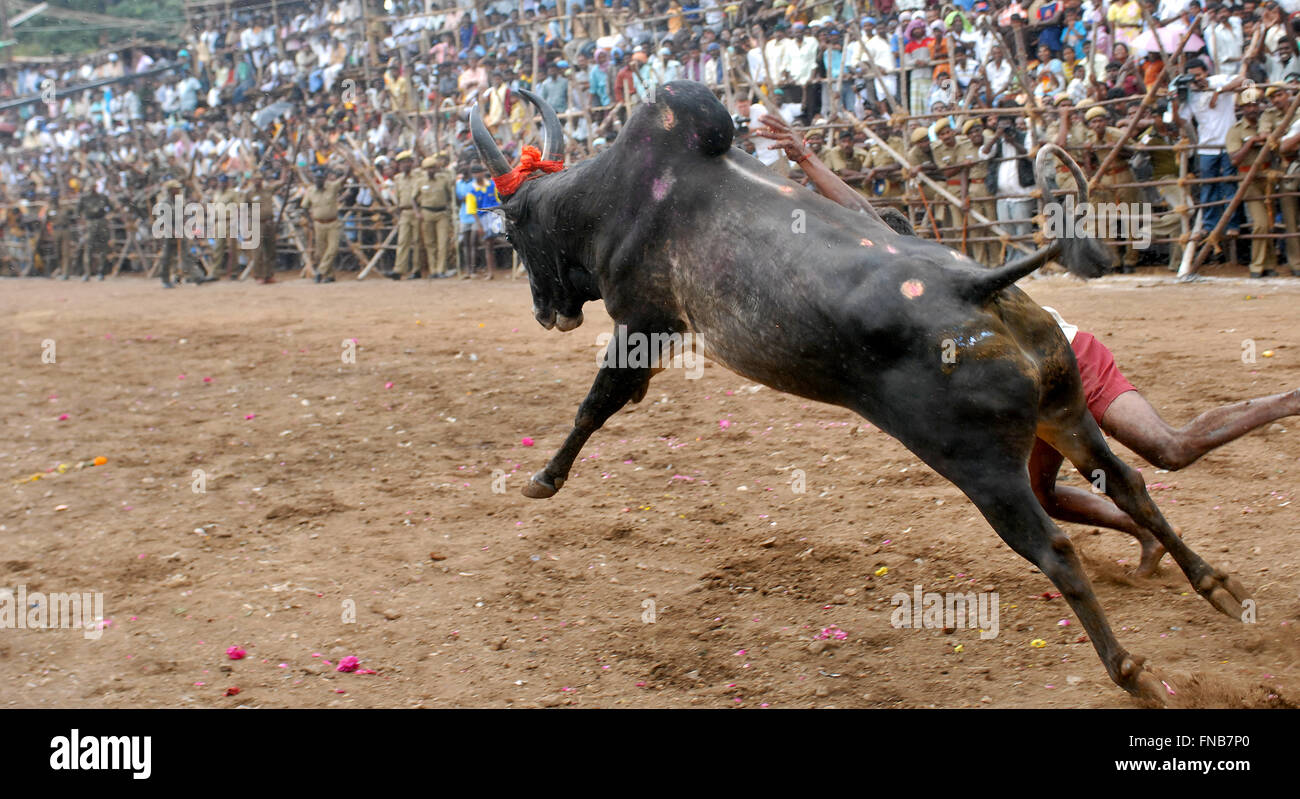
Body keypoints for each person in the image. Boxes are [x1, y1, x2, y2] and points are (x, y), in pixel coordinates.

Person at [756, 111, 1300, 575]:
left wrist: (805, 159)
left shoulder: (911, 258)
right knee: (1043, 496)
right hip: (1018, 375)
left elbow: (862, 214)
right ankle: (1144, 530)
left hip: (1062, 356)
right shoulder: (906, 286)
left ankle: (1288, 400)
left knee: (1168, 449)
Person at [415, 154, 458, 278]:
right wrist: (418, 213)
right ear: (424, 170)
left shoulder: (443, 179)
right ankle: (433, 270)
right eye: (428, 168)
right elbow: (413, 198)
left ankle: (441, 270)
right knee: (429, 243)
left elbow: (450, 195)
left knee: (443, 242)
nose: (431, 171)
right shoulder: (420, 181)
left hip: (441, 213)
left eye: (433, 168)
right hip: (426, 213)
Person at [301, 168, 347, 283]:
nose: (318, 181)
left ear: (324, 179)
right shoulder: (310, 191)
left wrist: (350, 165)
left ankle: (320, 272)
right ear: (314, 179)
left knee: (333, 248)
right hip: (318, 224)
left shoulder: (332, 187)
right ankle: (329, 275)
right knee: (321, 251)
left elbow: (344, 178)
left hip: (333, 223)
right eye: (316, 179)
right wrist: (310, 222)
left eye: (320, 179)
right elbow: (304, 207)